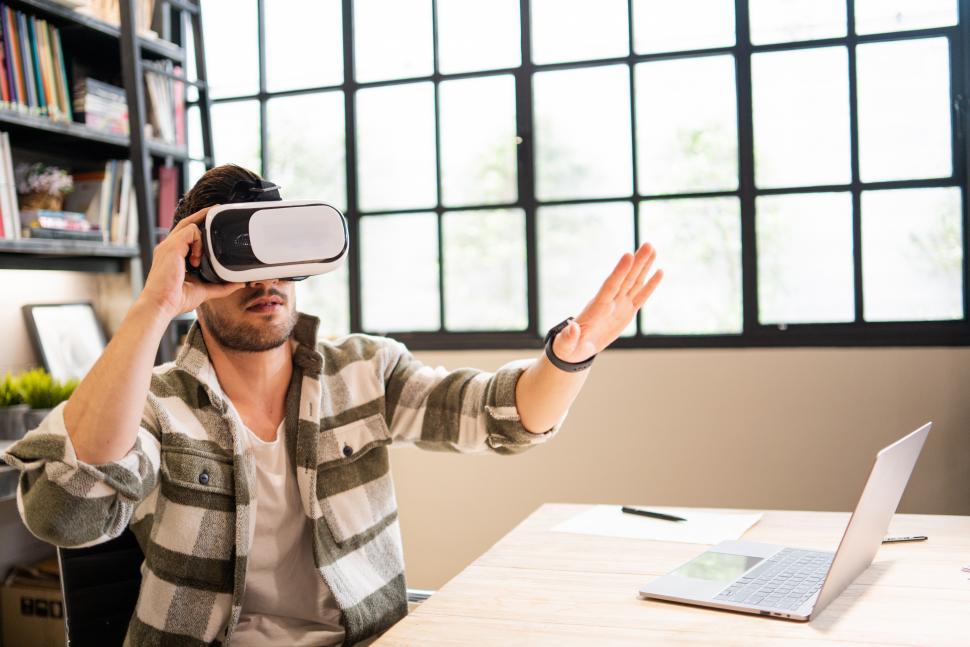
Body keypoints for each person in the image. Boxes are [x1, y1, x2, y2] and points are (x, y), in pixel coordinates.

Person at [1, 164, 663, 646]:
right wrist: (155, 306)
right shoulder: (157, 405)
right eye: (238, 258)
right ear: (197, 269)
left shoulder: (363, 371)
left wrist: (573, 354)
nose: (265, 281)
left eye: (278, 253)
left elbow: (504, 416)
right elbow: (65, 508)